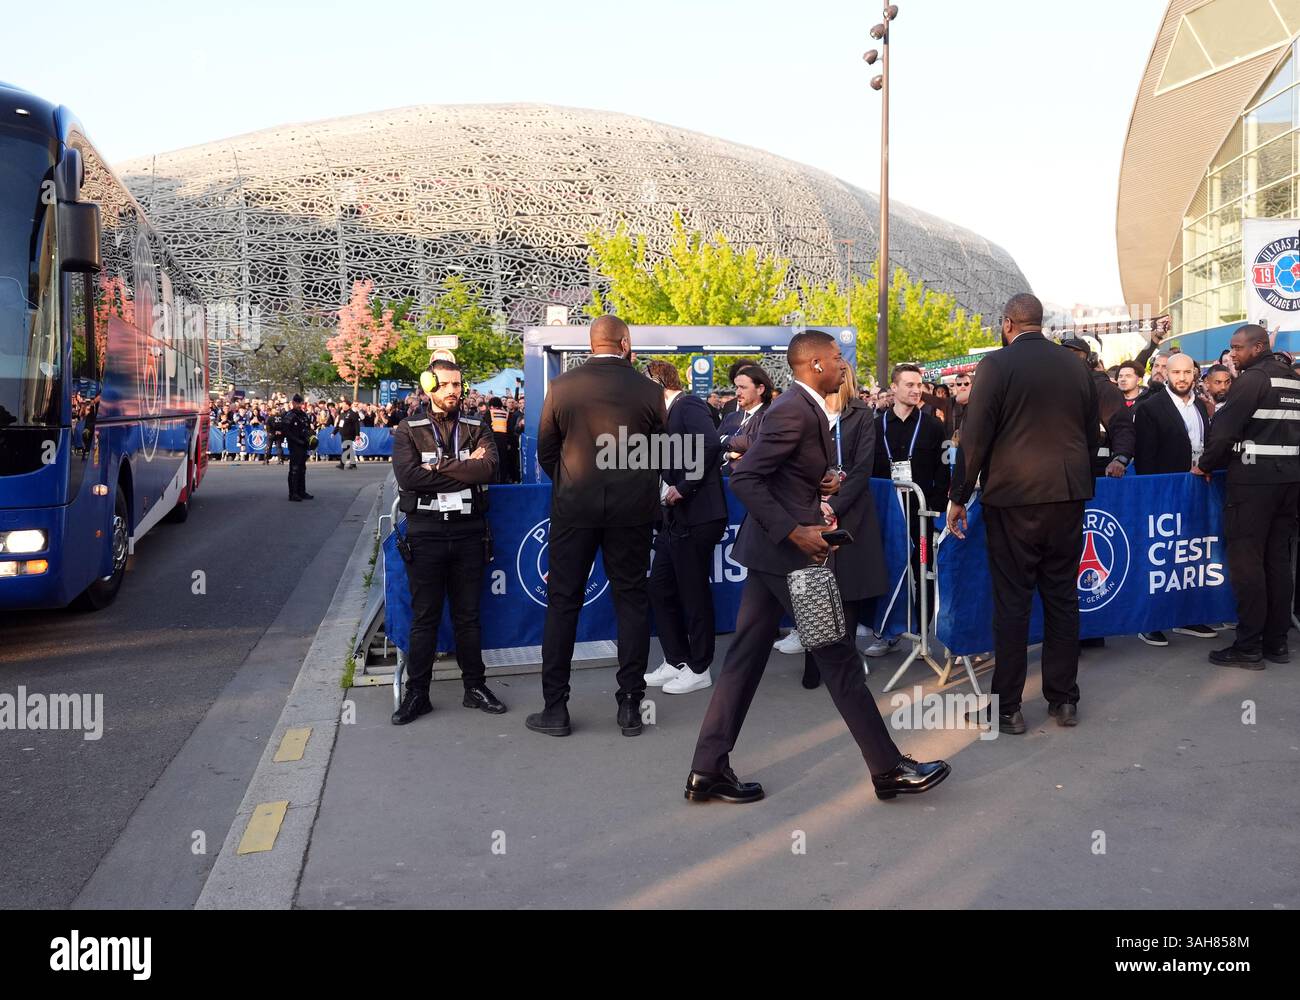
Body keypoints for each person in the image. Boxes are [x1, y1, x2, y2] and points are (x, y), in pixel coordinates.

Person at [685, 330, 950, 804]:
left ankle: (707, 769)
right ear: (815, 365)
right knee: (839, 659)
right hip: (788, 557)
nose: (845, 366)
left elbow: (776, 471)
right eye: (837, 359)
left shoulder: (800, 408)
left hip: (770, 557)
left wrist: (818, 482)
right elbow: (745, 477)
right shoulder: (793, 408)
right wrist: (794, 530)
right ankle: (887, 768)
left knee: (746, 659)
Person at [947, 293, 1097, 733]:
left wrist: (959, 494)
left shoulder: (996, 365)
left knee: (1012, 603)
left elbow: (975, 436)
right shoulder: (1075, 364)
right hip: (1067, 496)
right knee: (1062, 598)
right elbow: (1090, 435)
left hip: (1013, 497)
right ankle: (1064, 700)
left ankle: (1007, 708)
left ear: (1008, 323)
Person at [527, 315, 667, 738]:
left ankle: (556, 708)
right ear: (625, 343)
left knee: (563, 602)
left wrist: (573, 483)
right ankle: (629, 705)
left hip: (575, 510)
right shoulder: (650, 390)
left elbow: (546, 450)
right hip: (632, 511)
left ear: (592, 344)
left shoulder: (563, 387)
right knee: (632, 602)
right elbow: (658, 453)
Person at [390, 359, 506, 724]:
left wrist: (436, 468)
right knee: (424, 617)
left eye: (458, 384)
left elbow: (488, 469)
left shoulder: (477, 426)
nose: (455, 391)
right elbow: (409, 478)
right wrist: (462, 466)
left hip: (470, 531)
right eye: (447, 385)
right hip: (425, 533)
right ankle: (417, 694)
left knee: (468, 617)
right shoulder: (408, 429)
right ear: (429, 386)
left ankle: (475, 687)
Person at [1193, 324, 1300, 668]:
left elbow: (1223, 431)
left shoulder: (1253, 380)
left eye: (1238, 348)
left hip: (1253, 485)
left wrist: (1205, 464)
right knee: (1278, 561)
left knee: (1247, 562)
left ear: (1257, 347)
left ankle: (1249, 645)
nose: (1233, 354)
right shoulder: (1293, 379)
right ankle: (1276, 643)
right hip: (1289, 484)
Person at [788, 363, 888, 688]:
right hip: (810, 511)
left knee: (848, 591)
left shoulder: (862, 415)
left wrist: (834, 504)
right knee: (813, 586)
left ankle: (844, 663)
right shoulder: (806, 412)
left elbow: (861, 471)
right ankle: (814, 661)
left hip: (852, 512)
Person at [642, 361, 727, 696]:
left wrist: (684, 486)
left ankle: (699, 667)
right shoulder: (664, 414)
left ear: (657, 382)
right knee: (660, 588)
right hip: (676, 519)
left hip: (700, 515)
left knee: (693, 593)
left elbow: (709, 445)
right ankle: (676, 659)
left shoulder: (688, 403)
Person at [1131, 353, 1217, 646]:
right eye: (1176, 372)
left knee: (1189, 557)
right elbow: (1145, 459)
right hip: (1163, 492)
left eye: (1187, 372)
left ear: (1194, 374)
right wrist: (1154, 496)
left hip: (1197, 490)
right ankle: (1151, 622)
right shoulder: (1150, 408)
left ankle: (1187, 617)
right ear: (1166, 374)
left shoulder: (1201, 408)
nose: (1182, 377)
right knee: (1160, 559)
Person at [864, 363, 949, 657]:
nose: (916, 390)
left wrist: (935, 510)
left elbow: (944, 470)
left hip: (920, 513)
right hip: (887, 515)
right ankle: (887, 632)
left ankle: (922, 634)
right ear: (894, 388)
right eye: (910, 385)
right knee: (886, 570)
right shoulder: (875, 426)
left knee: (922, 569)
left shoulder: (934, 427)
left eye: (919, 385)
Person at [1061, 337, 1133, 480]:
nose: (1069, 359)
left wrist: (1120, 459)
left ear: (1091, 360)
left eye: (1076, 354)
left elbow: (1121, 427)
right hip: (1061, 469)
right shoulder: (1057, 387)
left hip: (1096, 469)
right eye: (1065, 354)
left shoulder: (1103, 389)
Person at [717, 365, 773, 475]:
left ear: (760, 389)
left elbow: (757, 445)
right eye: (736, 387)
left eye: (743, 387)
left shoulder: (771, 416)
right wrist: (727, 455)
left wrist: (724, 439)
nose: (737, 392)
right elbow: (712, 447)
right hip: (721, 485)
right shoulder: (731, 417)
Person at [283, 394, 314, 501]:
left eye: (301, 403)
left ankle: (302, 491)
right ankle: (293, 493)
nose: (299, 405)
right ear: (293, 403)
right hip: (295, 445)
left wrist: (311, 438)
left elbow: (308, 428)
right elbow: (287, 431)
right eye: (298, 403)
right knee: (294, 469)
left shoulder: (303, 415)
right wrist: (297, 440)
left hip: (304, 444)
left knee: (302, 469)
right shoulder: (289, 415)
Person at [336, 399, 361, 469]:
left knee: (345, 448)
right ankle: (353, 464)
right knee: (349, 449)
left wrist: (357, 434)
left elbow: (357, 425)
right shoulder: (342, 414)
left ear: (348, 405)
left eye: (344, 404)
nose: (342, 406)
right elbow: (339, 424)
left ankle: (342, 464)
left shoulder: (353, 414)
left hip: (350, 434)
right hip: (343, 434)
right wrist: (334, 432)